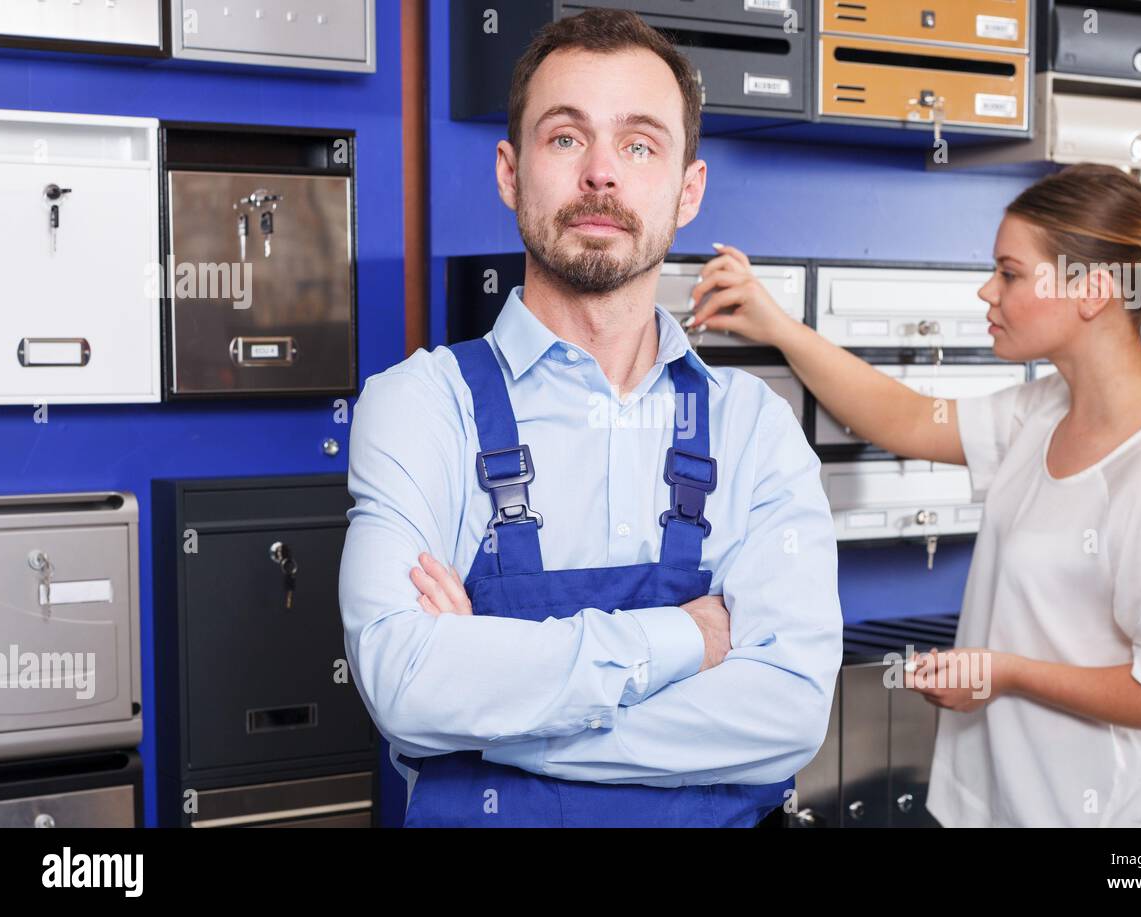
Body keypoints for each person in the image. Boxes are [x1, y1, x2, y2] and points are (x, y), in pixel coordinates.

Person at [337, 8, 842, 828]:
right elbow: (405, 681)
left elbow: (785, 714)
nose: (601, 172)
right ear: (510, 172)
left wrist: (484, 723)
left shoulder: (756, 429)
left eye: (639, 144)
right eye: (566, 138)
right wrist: (686, 640)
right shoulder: (420, 406)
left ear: (688, 190)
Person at [684, 163, 1141, 827]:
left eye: (1009, 272)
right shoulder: (1043, 411)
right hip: (992, 801)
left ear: (1093, 291)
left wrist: (1007, 672)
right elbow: (907, 418)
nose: (988, 291)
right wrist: (778, 325)